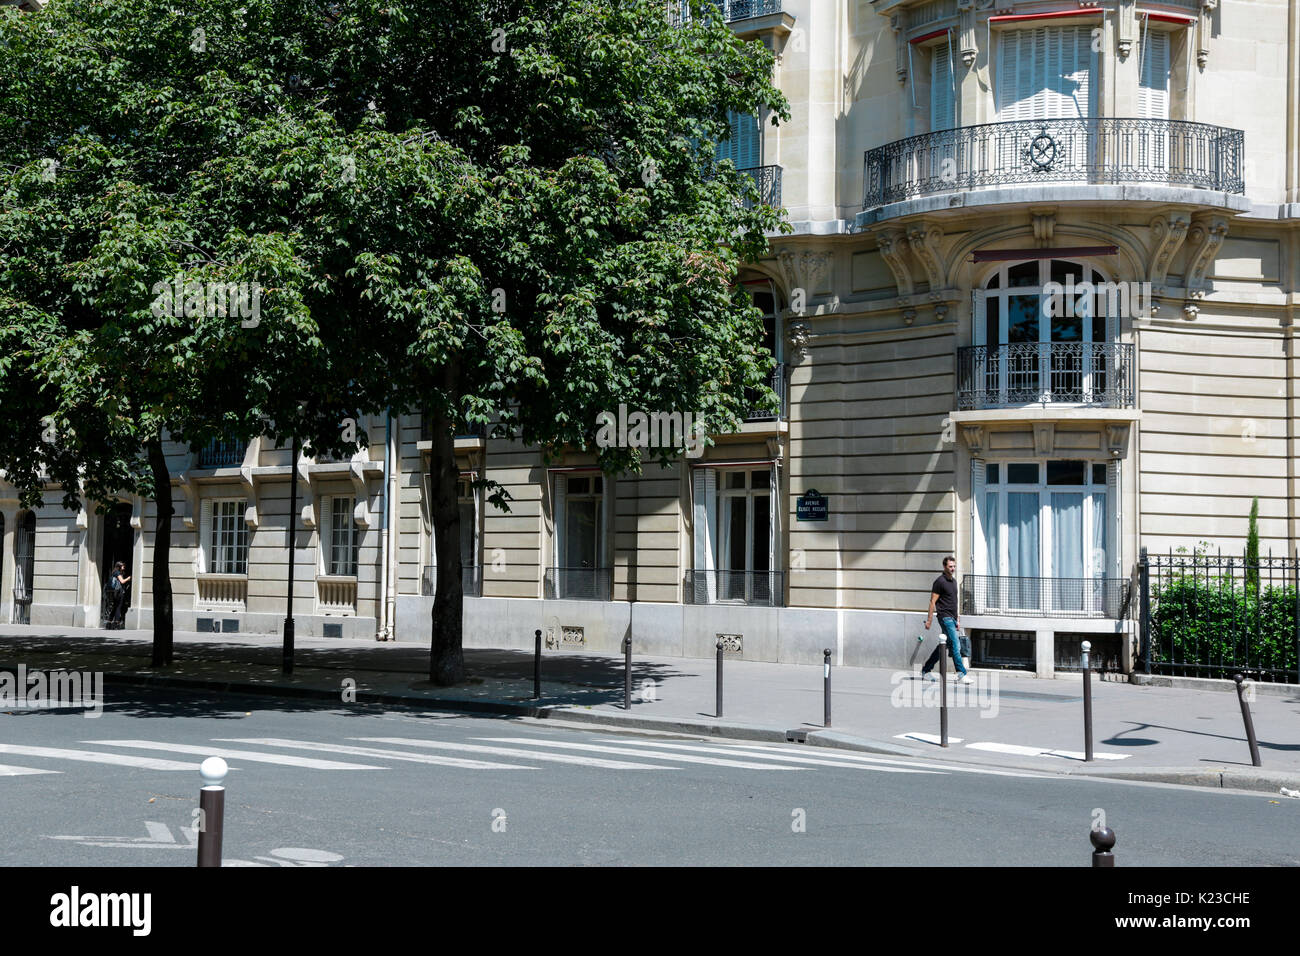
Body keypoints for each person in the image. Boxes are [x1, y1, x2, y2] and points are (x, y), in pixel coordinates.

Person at [922, 556, 973, 684]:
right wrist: (929, 620)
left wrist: (958, 619)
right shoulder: (939, 582)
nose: (953, 569)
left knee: (944, 646)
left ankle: (926, 670)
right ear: (944, 567)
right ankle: (961, 674)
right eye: (950, 566)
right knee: (956, 644)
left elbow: (954, 602)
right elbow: (932, 601)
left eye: (954, 566)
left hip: (953, 618)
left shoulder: (954, 582)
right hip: (944, 617)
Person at [108, 561, 130, 630]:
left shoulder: (114, 572)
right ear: (119, 566)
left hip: (114, 592)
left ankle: (109, 622)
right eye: (122, 566)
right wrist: (129, 578)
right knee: (118, 607)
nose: (124, 567)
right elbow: (122, 581)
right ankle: (116, 623)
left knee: (115, 607)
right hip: (119, 592)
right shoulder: (117, 573)